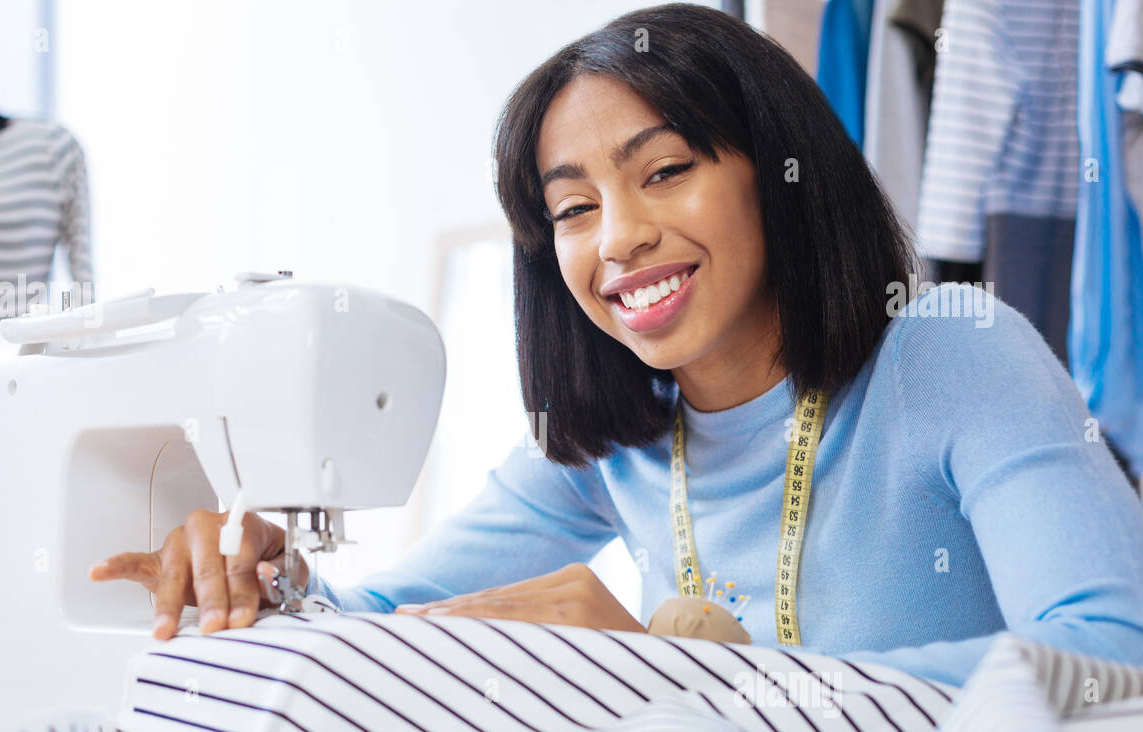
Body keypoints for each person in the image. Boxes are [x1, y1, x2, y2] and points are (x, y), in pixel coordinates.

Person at [91, 3, 1143, 688]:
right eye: (571, 207)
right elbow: (382, 609)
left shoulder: (955, 357)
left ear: (780, 173)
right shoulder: (615, 440)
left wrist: (675, 672)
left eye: (665, 169)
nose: (620, 236)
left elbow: (1111, 652)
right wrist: (268, 583)